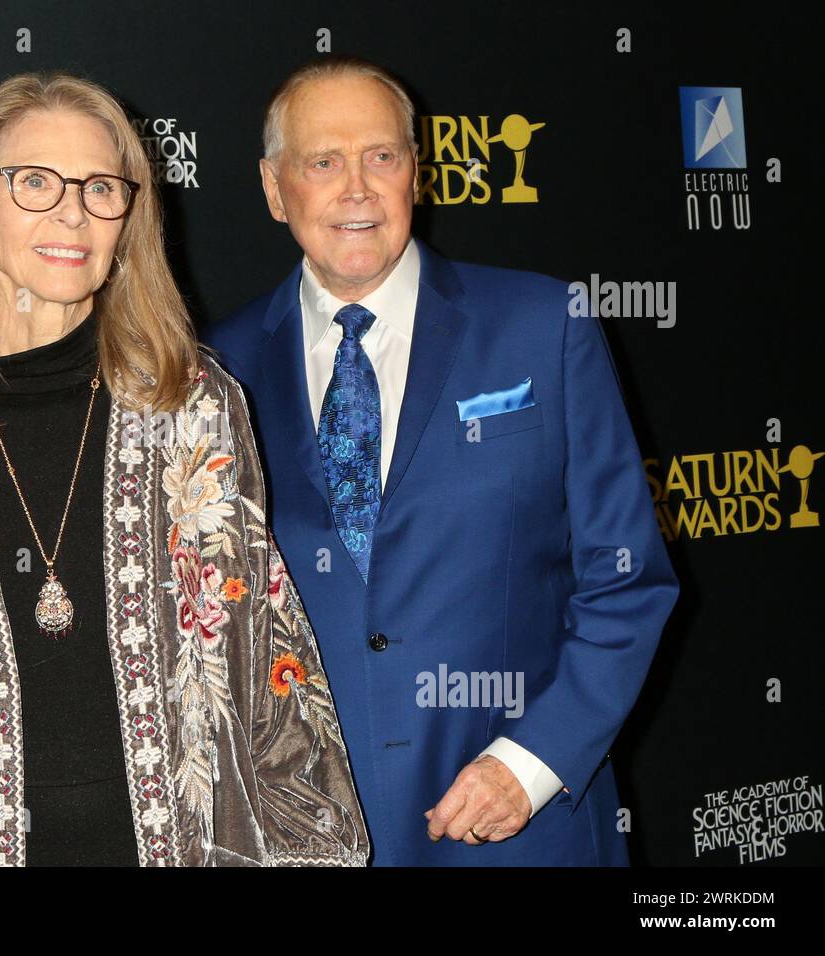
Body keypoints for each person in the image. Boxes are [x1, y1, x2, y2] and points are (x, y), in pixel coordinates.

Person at [0, 70, 369, 866]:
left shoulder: (193, 406)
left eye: (101, 187)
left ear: (127, 222)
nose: (71, 211)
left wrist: (318, 853)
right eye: (34, 182)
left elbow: (267, 664)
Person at [203, 56, 679, 865]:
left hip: (519, 832)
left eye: (381, 157)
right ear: (275, 188)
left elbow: (626, 578)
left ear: (415, 175)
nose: (356, 187)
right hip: (309, 837)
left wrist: (529, 767)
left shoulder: (543, 325)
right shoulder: (217, 370)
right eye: (323, 162)